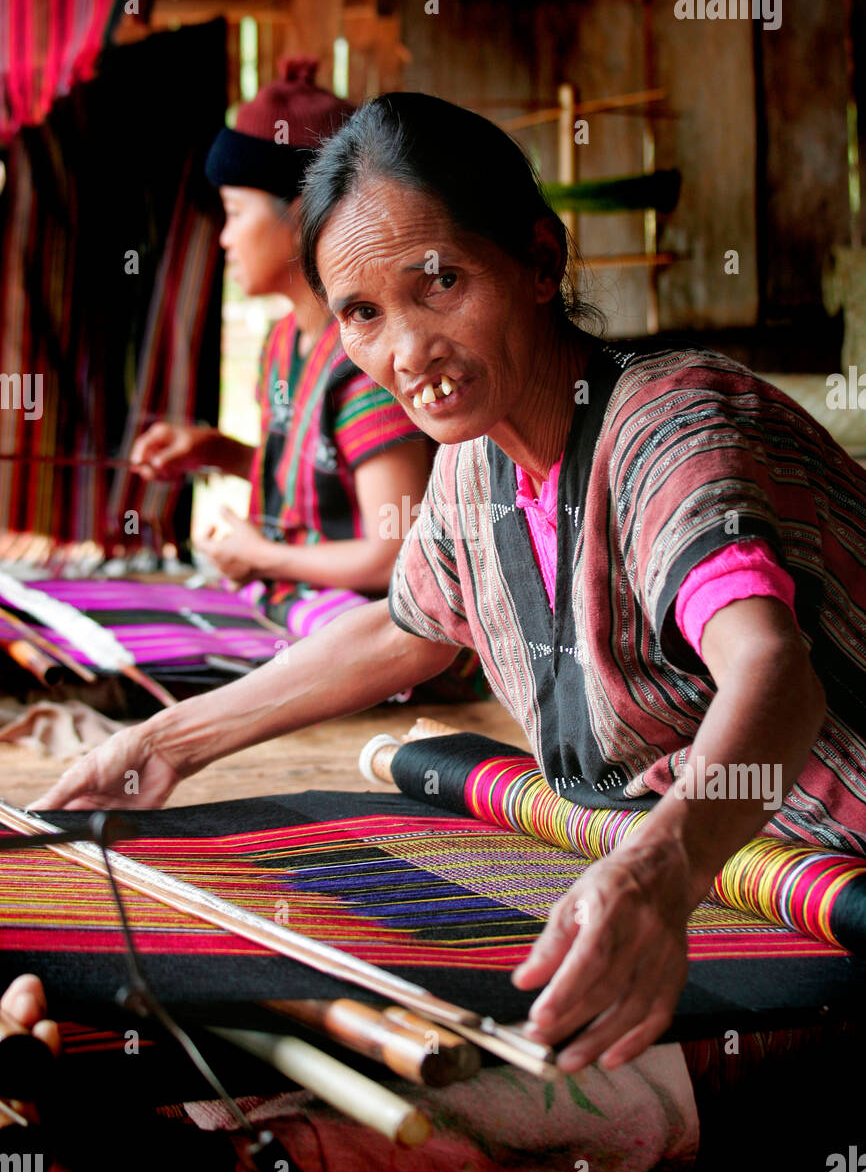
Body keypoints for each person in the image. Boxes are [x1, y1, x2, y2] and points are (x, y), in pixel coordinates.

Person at [39, 93, 866, 1076]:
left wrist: (657, 876)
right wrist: (159, 745)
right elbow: (406, 632)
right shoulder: (477, 466)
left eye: (439, 284)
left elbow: (771, 671)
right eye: (362, 313)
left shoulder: (671, 430)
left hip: (823, 890)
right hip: (746, 875)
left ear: (538, 262)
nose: (406, 351)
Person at [131, 59, 431, 637]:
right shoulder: (283, 344)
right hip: (296, 598)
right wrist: (219, 453)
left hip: (362, 620)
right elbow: (322, 487)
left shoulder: (364, 363)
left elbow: (394, 555)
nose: (223, 238)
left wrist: (263, 557)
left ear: (299, 218)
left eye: (235, 214)